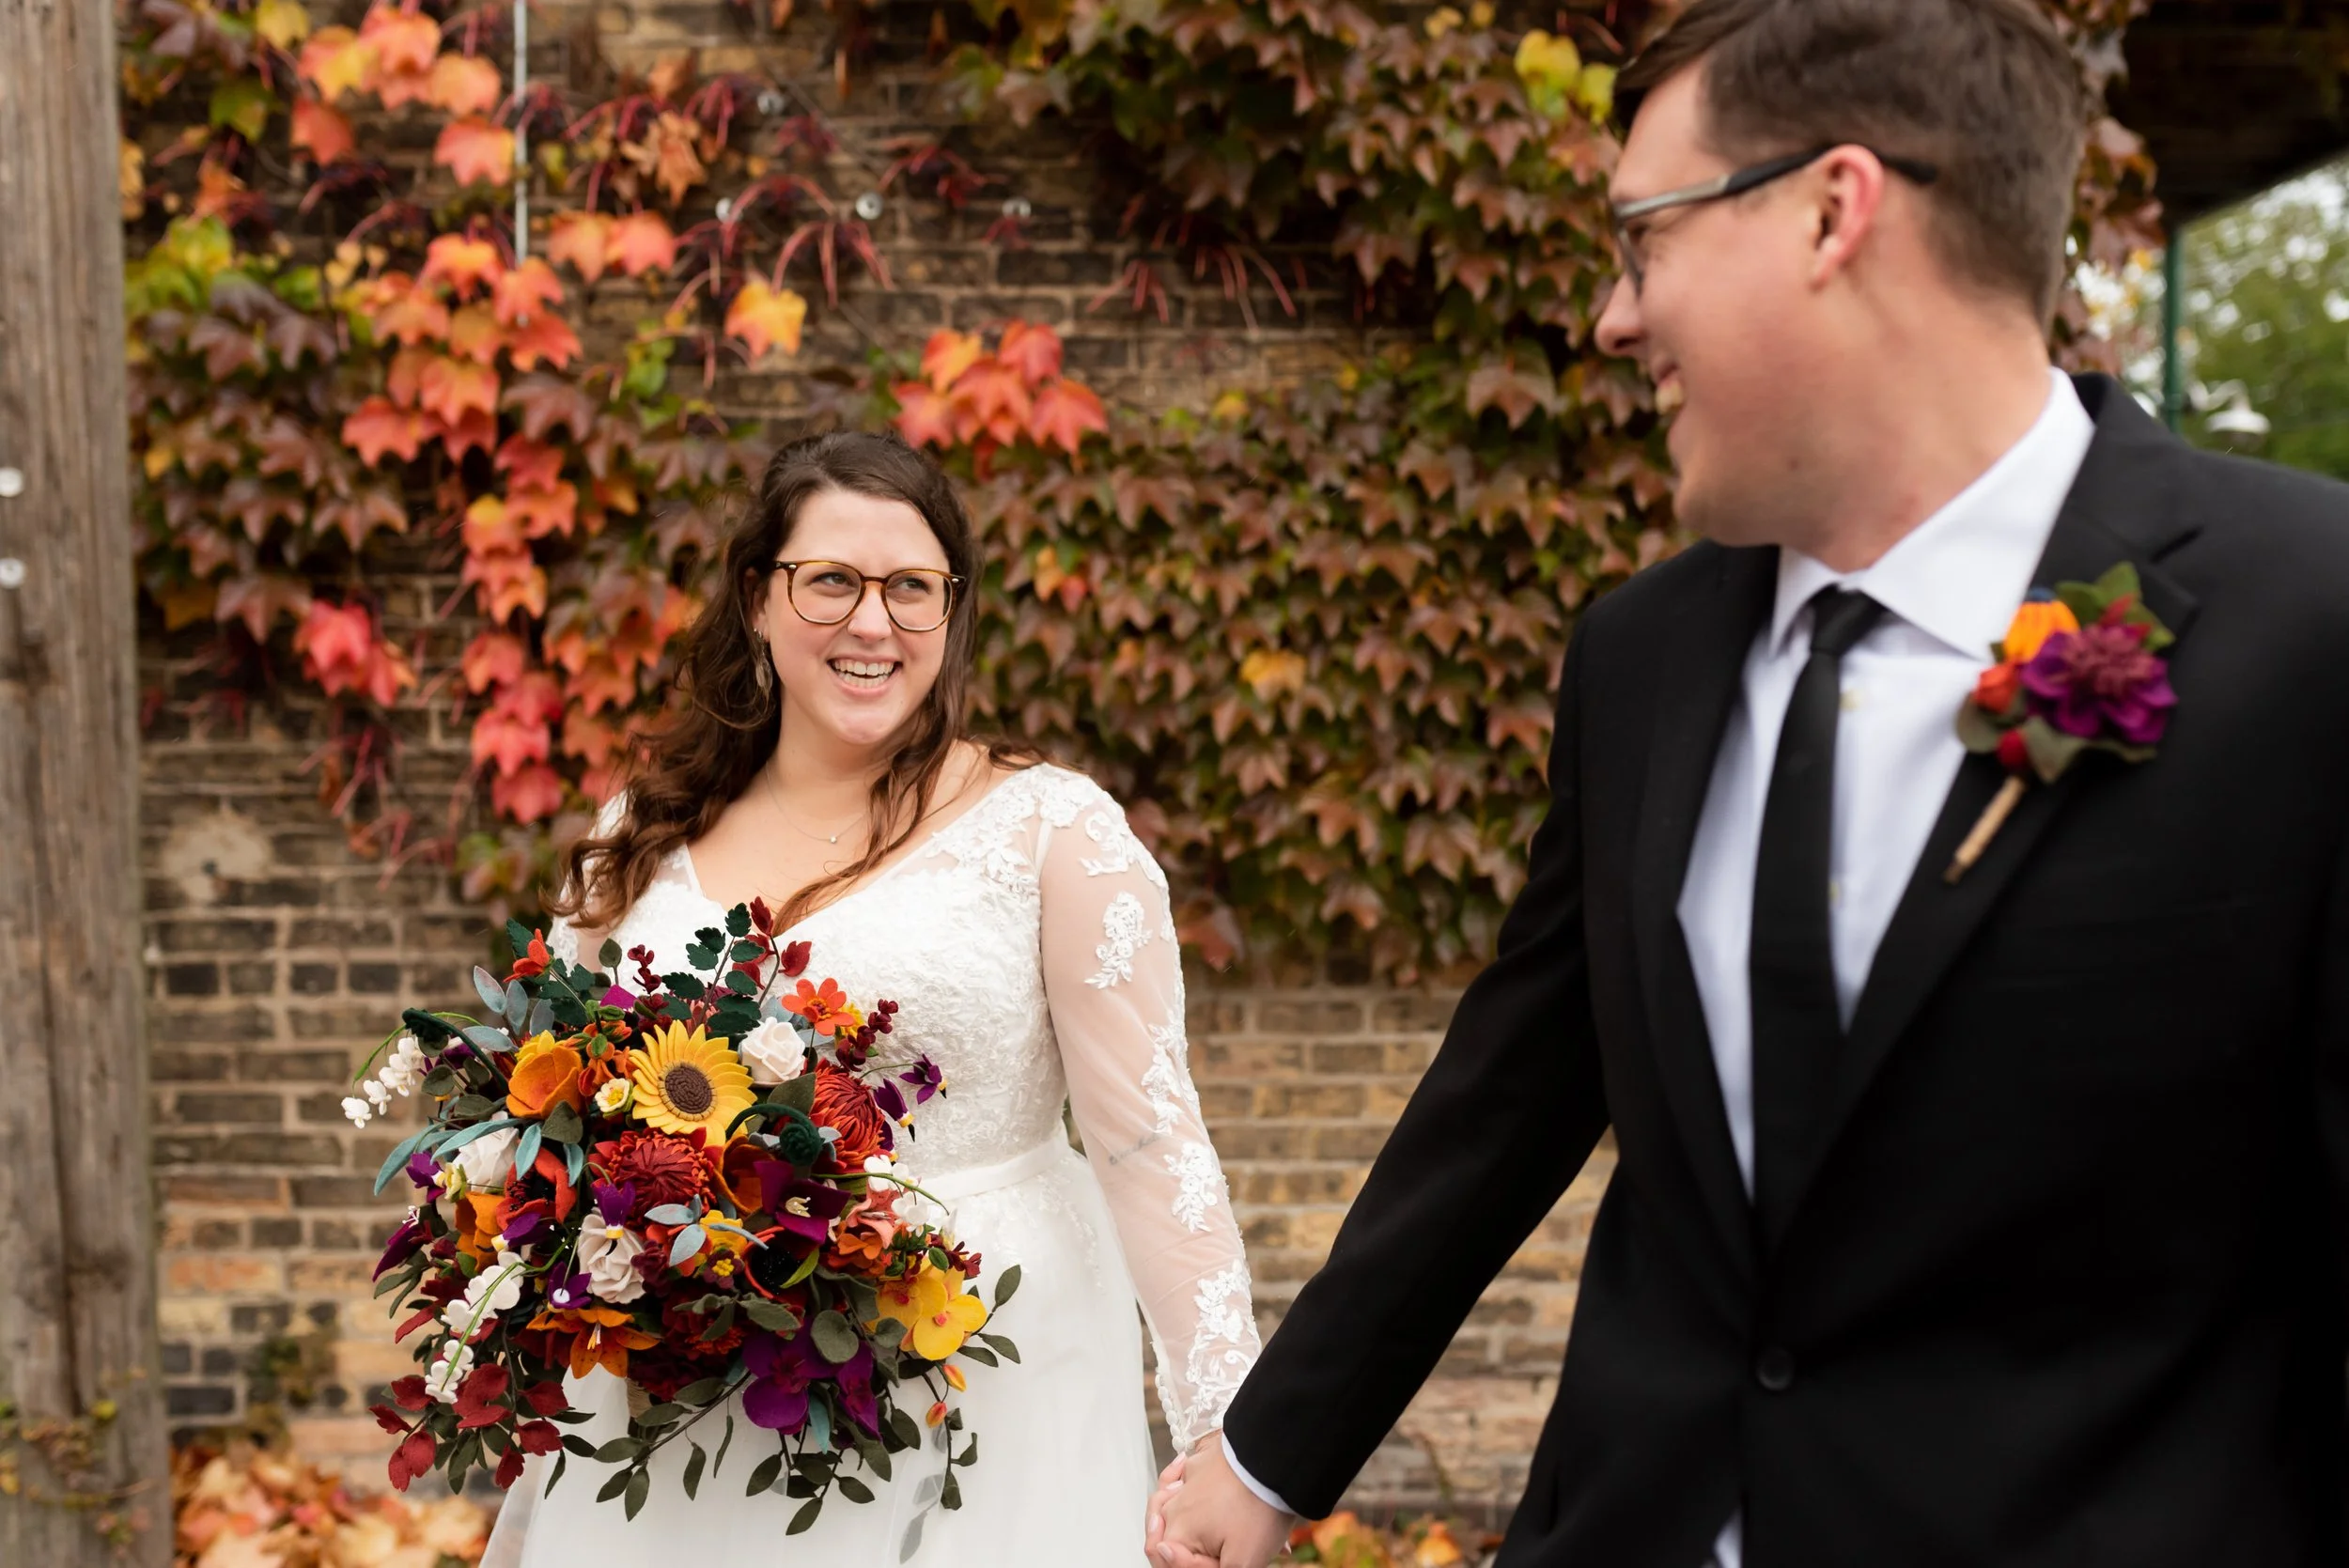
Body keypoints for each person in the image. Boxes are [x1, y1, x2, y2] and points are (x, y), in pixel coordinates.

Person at [1150, 0, 2349, 1562]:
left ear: (1831, 212)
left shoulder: (2311, 619)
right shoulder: (1642, 656)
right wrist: (1270, 1453)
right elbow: (1511, 1088)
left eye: (1641, 244)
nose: (1611, 319)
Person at [481, 430, 1259, 1565]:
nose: (872, 622)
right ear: (758, 597)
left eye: (912, 588)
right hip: (688, 1401)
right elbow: (545, 1106)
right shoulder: (639, 835)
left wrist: (1227, 1442)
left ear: (953, 610)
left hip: (984, 1386)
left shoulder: (1052, 833)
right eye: (831, 580)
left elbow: (1150, 1146)